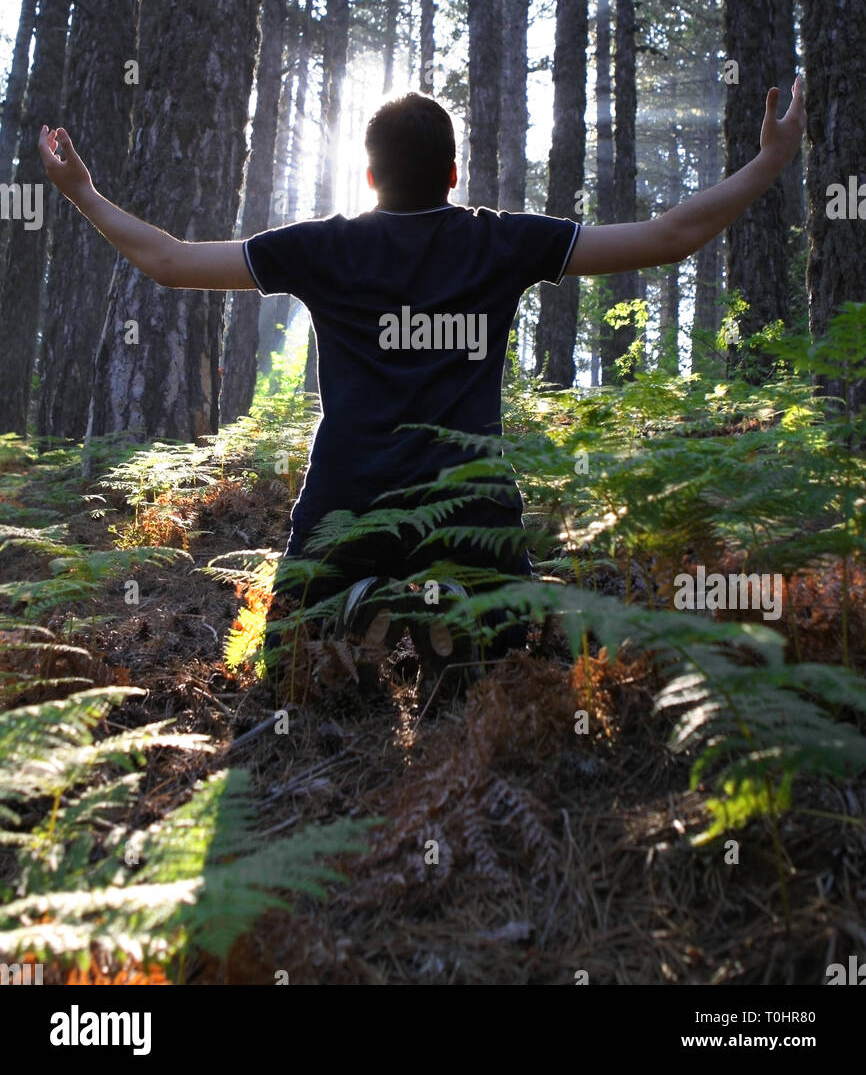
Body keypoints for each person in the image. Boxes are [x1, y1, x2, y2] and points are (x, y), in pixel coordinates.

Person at [37, 78, 807, 679]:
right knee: (507, 666)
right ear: (453, 173)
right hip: (471, 507)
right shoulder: (501, 242)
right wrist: (770, 160)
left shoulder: (321, 247)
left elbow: (168, 261)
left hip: (345, 503)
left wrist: (82, 193)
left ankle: (372, 607)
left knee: (294, 674)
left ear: (367, 176)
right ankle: (445, 616)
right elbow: (672, 237)